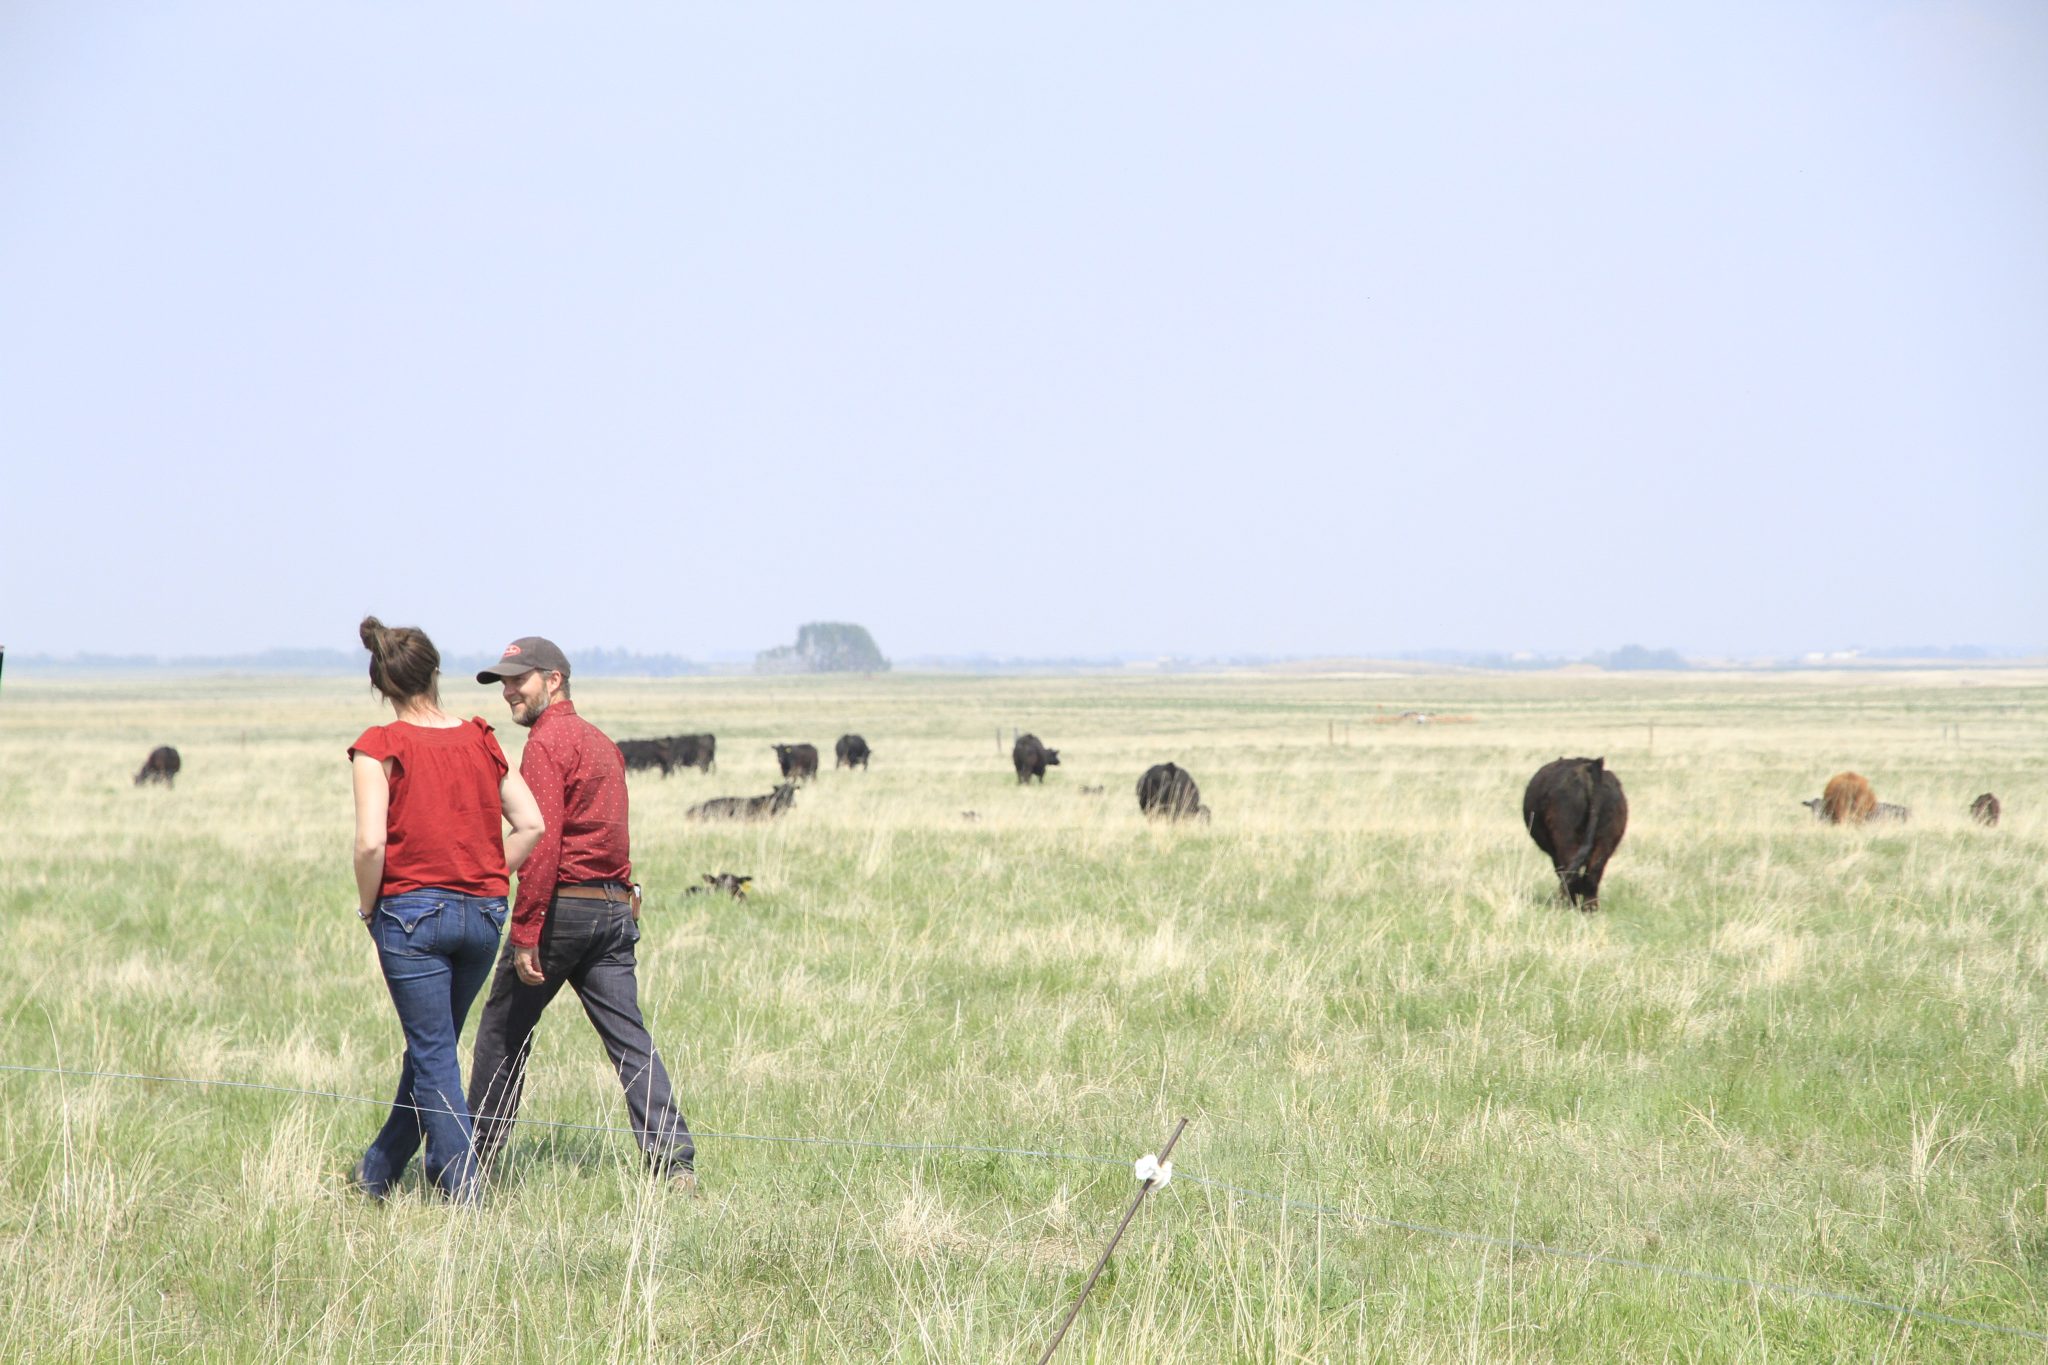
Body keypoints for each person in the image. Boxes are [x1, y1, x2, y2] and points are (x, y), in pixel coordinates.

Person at [466, 637, 697, 1185]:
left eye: (517, 680)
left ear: (554, 680)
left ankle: (470, 1162)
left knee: (501, 1032)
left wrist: (525, 930)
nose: (507, 693)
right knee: (629, 1040)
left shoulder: (546, 744)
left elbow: (541, 844)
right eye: (503, 683)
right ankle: (674, 1163)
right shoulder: (600, 741)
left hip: (561, 912)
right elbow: (613, 837)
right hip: (614, 907)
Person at [349, 616, 544, 1202]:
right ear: (436, 673)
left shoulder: (379, 745)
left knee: (433, 1052)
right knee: (433, 1048)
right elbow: (532, 823)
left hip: (411, 916)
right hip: (484, 914)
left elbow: (369, 844)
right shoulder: (481, 736)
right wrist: (486, 873)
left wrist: (368, 908)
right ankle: (378, 1170)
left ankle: (464, 1189)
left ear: (382, 686)